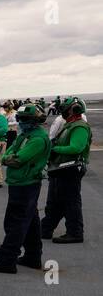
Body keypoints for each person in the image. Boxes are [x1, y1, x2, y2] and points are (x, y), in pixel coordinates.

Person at [0, 103, 49, 274]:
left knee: (15, 223)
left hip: (25, 185)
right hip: (22, 183)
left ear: (35, 121)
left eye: (25, 119)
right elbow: (9, 153)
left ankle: (6, 260)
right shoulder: (26, 135)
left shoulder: (37, 139)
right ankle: (33, 257)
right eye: (20, 119)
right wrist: (9, 157)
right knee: (31, 222)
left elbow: (18, 159)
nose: (21, 122)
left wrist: (9, 158)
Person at [41, 96, 91, 244]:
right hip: (62, 169)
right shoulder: (70, 124)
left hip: (70, 169)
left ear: (74, 110)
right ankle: (46, 228)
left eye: (65, 109)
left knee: (70, 202)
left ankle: (75, 232)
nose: (62, 112)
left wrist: (55, 149)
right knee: (56, 201)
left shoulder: (80, 126)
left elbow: (77, 147)